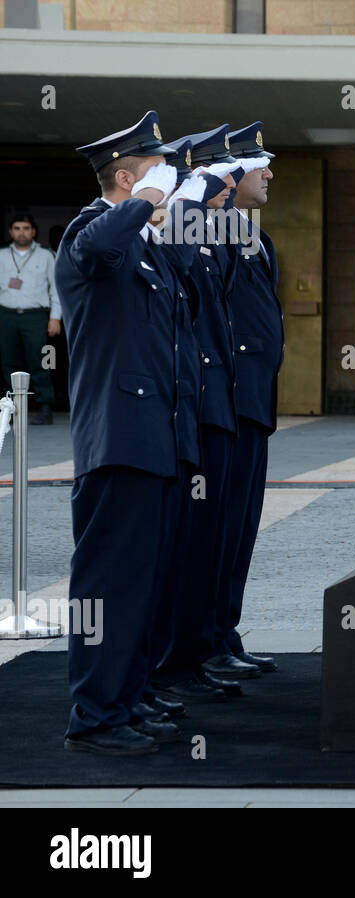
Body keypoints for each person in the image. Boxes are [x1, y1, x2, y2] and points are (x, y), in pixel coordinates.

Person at [56, 111, 198, 755]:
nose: (167, 184)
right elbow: (99, 247)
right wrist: (144, 200)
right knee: (105, 586)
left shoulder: (144, 246)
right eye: (154, 170)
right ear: (123, 176)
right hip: (115, 438)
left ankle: (127, 697)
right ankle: (94, 715)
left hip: (153, 440)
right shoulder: (92, 232)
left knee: (142, 583)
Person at [151, 127, 253, 702]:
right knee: (188, 544)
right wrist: (189, 207)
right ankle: (174, 661)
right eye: (222, 175)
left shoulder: (217, 233)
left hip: (217, 403)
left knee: (215, 536)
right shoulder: (180, 234)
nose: (230, 184)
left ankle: (196, 651)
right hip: (191, 408)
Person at [204, 120, 282, 681]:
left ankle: (224, 632)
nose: (270, 174)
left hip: (255, 401)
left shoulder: (255, 233)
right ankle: (202, 641)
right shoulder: (209, 233)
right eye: (261, 165)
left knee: (242, 528)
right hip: (227, 402)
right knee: (218, 528)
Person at [1, 213, 61, 424]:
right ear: (11, 232)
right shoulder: (1, 255)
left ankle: (45, 408)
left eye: (25, 228)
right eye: (17, 228)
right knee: (8, 363)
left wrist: (55, 317)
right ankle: (10, 410)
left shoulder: (46, 255)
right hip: (6, 315)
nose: (21, 232)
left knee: (42, 362)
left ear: (33, 231)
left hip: (35, 316)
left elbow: (56, 288)